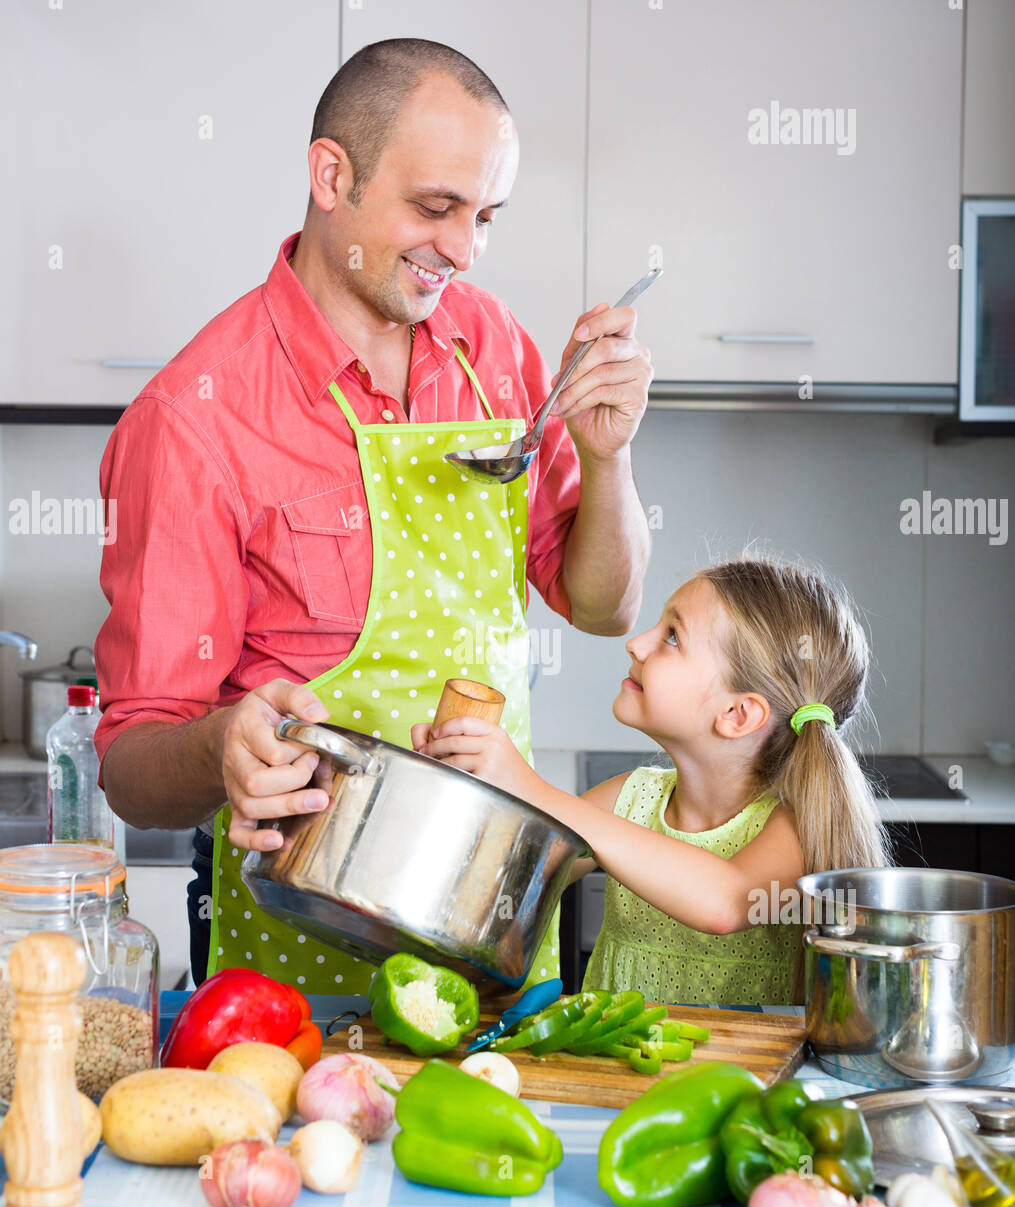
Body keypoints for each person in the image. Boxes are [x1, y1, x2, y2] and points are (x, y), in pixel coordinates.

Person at [94, 38, 652, 993]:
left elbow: (604, 607)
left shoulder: (495, 350)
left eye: (485, 216)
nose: (463, 249)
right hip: (296, 959)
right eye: (434, 208)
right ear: (329, 174)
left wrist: (607, 457)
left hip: (491, 932)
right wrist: (220, 742)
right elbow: (132, 767)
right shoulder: (195, 421)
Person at [414, 553, 891, 1006]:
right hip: (615, 1081)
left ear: (736, 713)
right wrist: (460, 791)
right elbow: (504, 880)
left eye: (672, 637)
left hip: (737, 1085)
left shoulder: (793, 829)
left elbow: (722, 901)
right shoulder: (629, 799)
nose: (637, 643)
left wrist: (534, 791)